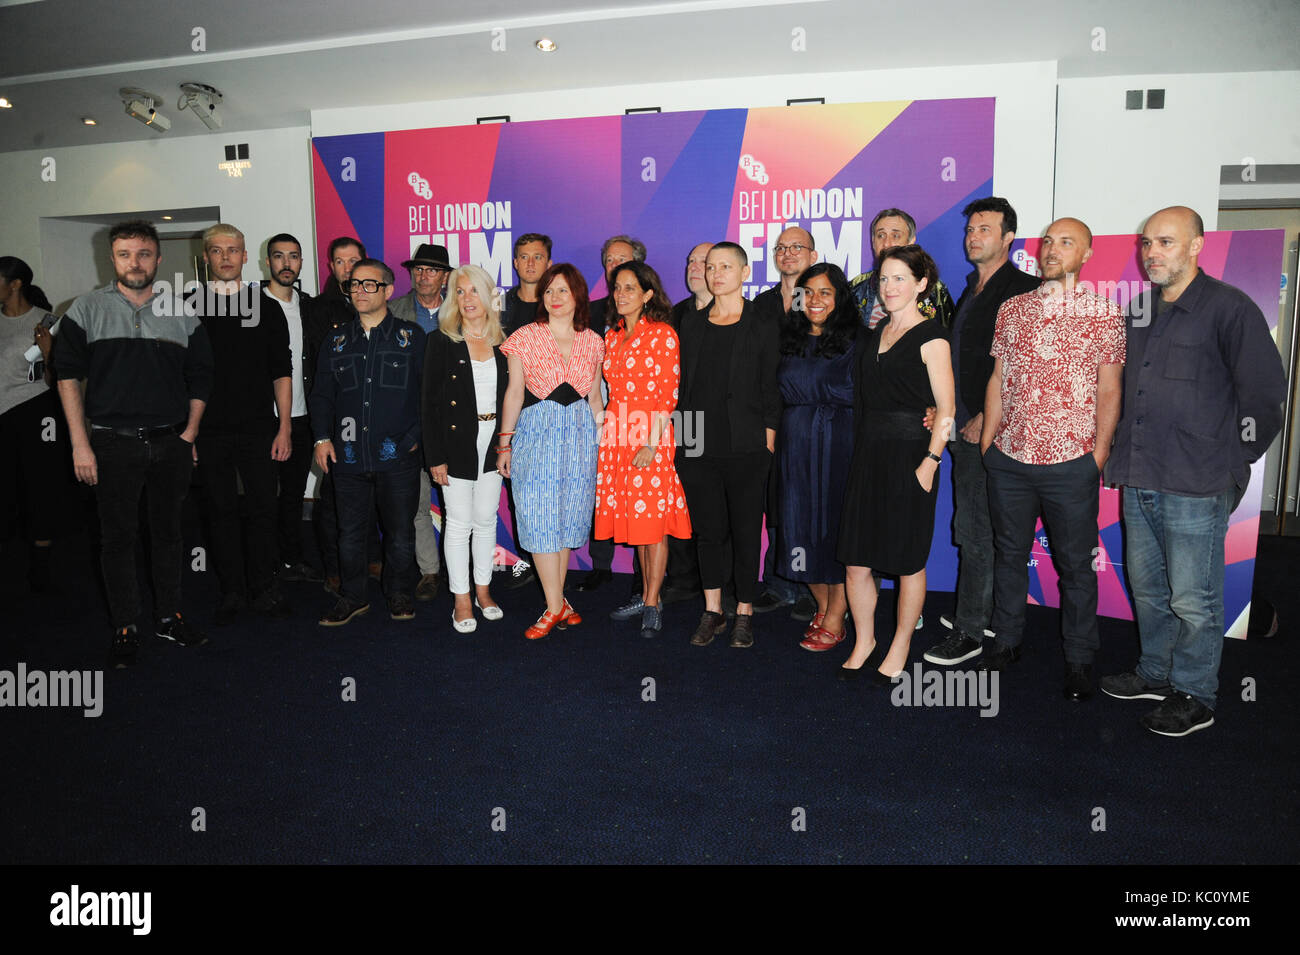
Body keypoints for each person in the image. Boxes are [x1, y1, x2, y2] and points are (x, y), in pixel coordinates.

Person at [1102, 206, 1286, 736]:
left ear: (1196, 246)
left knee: (1194, 598)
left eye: (1165, 242)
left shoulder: (1231, 309)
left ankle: (1195, 694)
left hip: (1198, 480)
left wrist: (1232, 462)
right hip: (1140, 475)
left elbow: (1265, 396)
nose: (1152, 253)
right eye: (1146, 243)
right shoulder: (1139, 310)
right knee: (1149, 588)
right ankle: (1156, 672)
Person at [976, 218, 1124, 703]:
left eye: (1066, 243)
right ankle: (1008, 640)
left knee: (1076, 567)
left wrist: (1097, 455)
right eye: (1048, 242)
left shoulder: (1104, 314)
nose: (1052, 250)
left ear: (1086, 253)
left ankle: (1079, 659)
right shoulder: (1013, 310)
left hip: (1070, 463)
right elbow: (998, 378)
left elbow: (1109, 389)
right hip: (1010, 459)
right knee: (1009, 555)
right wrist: (989, 445)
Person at [53, 219, 213, 664]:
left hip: (171, 444)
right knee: (117, 539)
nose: (135, 263)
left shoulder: (182, 311)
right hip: (110, 444)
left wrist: (190, 431)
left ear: (157, 258)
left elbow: (201, 375)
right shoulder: (85, 309)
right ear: (112, 258)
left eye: (143, 254)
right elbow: (66, 375)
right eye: (125, 254)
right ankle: (125, 623)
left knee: (168, 535)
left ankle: (169, 617)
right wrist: (79, 444)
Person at [924, 198, 1041, 666]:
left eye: (986, 229)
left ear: (1009, 238)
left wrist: (981, 420)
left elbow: (1027, 369)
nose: (974, 236)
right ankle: (985, 613)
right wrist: (947, 409)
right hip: (964, 427)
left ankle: (970, 630)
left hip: (997, 433)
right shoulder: (970, 288)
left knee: (978, 531)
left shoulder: (1027, 291)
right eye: (971, 229)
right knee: (976, 529)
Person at [837, 245, 955, 680]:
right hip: (868, 457)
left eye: (900, 278)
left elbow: (946, 410)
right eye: (884, 279)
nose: (889, 287)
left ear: (922, 284)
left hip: (911, 459)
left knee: (907, 561)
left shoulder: (933, 337)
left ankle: (901, 642)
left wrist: (930, 462)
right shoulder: (873, 335)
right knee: (856, 560)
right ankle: (865, 638)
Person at [310, 258, 426, 625]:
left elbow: (428, 395)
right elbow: (321, 395)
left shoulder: (411, 338)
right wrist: (321, 439)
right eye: (354, 284)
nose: (359, 291)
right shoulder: (337, 339)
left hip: (397, 456)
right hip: (347, 457)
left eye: (369, 284)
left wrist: (412, 440)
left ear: (389, 291)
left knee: (400, 533)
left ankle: (399, 593)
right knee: (350, 534)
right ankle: (353, 596)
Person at [676, 242, 780, 649]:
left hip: (747, 444)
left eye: (725, 266)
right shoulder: (691, 323)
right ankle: (713, 609)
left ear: (744, 271)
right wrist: (684, 444)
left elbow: (772, 384)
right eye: (709, 266)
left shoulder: (763, 322)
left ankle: (745, 611)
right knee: (709, 531)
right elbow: (683, 389)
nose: (715, 273)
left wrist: (768, 438)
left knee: (745, 531)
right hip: (698, 444)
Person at [188, 224, 292, 625]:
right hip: (208, 431)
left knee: (265, 508)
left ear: (246, 256)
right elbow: (181, 375)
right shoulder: (189, 306)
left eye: (234, 250)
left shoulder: (267, 307)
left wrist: (283, 427)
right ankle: (231, 590)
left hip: (258, 429)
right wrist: (189, 433)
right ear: (206, 258)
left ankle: (264, 587)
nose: (226, 257)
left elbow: (281, 371)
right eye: (217, 251)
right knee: (220, 511)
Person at [497, 263, 605, 639]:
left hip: (580, 438)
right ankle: (556, 607)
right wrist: (505, 442)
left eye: (562, 290)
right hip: (536, 433)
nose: (555, 298)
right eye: (548, 291)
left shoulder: (594, 340)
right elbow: (513, 392)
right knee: (540, 519)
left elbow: (594, 399)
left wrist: (603, 440)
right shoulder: (524, 336)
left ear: (577, 294)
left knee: (565, 523)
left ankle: (556, 605)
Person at [594, 261, 692, 638]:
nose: (621, 295)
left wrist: (651, 444)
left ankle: (652, 602)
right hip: (617, 435)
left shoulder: (663, 334)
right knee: (638, 522)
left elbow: (669, 394)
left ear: (648, 294)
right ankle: (647, 595)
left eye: (630, 288)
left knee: (653, 524)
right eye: (617, 288)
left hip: (649, 434)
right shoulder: (612, 337)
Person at [774, 263, 859, 651]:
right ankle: (825, 607)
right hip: (795, 446)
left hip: (840, 443)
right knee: (797, 528)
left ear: (839, 297)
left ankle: (836, 617)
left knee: (835, 531)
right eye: (808, 292)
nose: (815, 300)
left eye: (825, 292)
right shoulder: (788, 338)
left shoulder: (858, 341)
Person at [422, 265, 509, 634]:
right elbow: (428, 404)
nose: (467, 299)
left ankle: (483, 591)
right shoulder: (441, 341)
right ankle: (461, 597)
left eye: (475, 291)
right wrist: (435, 457)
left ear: (490, 295)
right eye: (460, 292)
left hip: (494, 439)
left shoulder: (506, 342)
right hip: (456, 442)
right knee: (457, 524)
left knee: (486, 519)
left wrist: (509, 441)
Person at [751, 226, 818, 619]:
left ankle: (809, 584)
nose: (788, 253)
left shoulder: (823, 300)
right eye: (781, 248)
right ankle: (778, 583)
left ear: (813, 254)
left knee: (807, 502)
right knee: (775, 501)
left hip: (810, 416)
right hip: (767, 417)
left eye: (797, 247)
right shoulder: (760, 306)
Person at [577, 234, 646, 593]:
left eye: (623, 260)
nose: (614, 266)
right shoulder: (588, 312)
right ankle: (600, 565)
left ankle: (641, 574)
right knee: (598, 490)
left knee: (638, 493)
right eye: (609, 261)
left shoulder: (654, 317)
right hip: (596, 416)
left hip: (638, 421)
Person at [314, 235, 382, 594]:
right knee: (332, 503)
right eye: (339, 262)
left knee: (371, 494)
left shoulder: (375, 303)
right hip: (339, 421)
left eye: (352, 261)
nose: (345, 268)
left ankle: (371, 559)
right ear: (331, 267)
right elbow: (320, 381)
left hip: (374, 418)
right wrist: (321, 433)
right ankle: (335, 569)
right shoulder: (320, 310)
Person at [0, 256, 71, 591]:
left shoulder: (47, 321)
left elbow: (60, 380)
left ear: (15, 284)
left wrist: (48, 353)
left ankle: (42, 562)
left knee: (40, 484)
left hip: (35, 410)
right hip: (2, 414)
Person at [261, 232, 326, 583]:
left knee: (292, 493)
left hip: (302, 417)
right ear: (267, 262)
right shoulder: (251, 305)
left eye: (294, 256)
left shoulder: (309, 307)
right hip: (262, 419)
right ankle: (264, 561)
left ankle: (290, 557)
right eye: (279, 256)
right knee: (261, 496)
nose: (287, 263)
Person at [391, 243, 453, 601]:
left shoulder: (463, 309)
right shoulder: (394, 311)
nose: (423, 275)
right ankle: (429, 571)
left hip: (453, 426)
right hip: (409, 425)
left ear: (445, 276)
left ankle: (468, 570)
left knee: (458, 505)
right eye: (418, 269)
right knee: (416, 504)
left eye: (432, 270)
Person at [850, 208, 956, 330]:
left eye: (895, 236)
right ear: (873, 242)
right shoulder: (857, 288)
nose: (887, 243)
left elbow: (949, 336)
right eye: (881, 235)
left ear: (911, 242)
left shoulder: (933, 289)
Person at [501, 233, 552, 335]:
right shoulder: (500, 305)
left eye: (537, 257)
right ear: (516, 263)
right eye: (524, 257)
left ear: (548, 264)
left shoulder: (559, 304)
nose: (530, 263)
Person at [670, 242, 713, 330]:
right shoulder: (676, 313)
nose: (693, 267)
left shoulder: (736, 313)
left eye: (703, 261)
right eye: (691, 261)